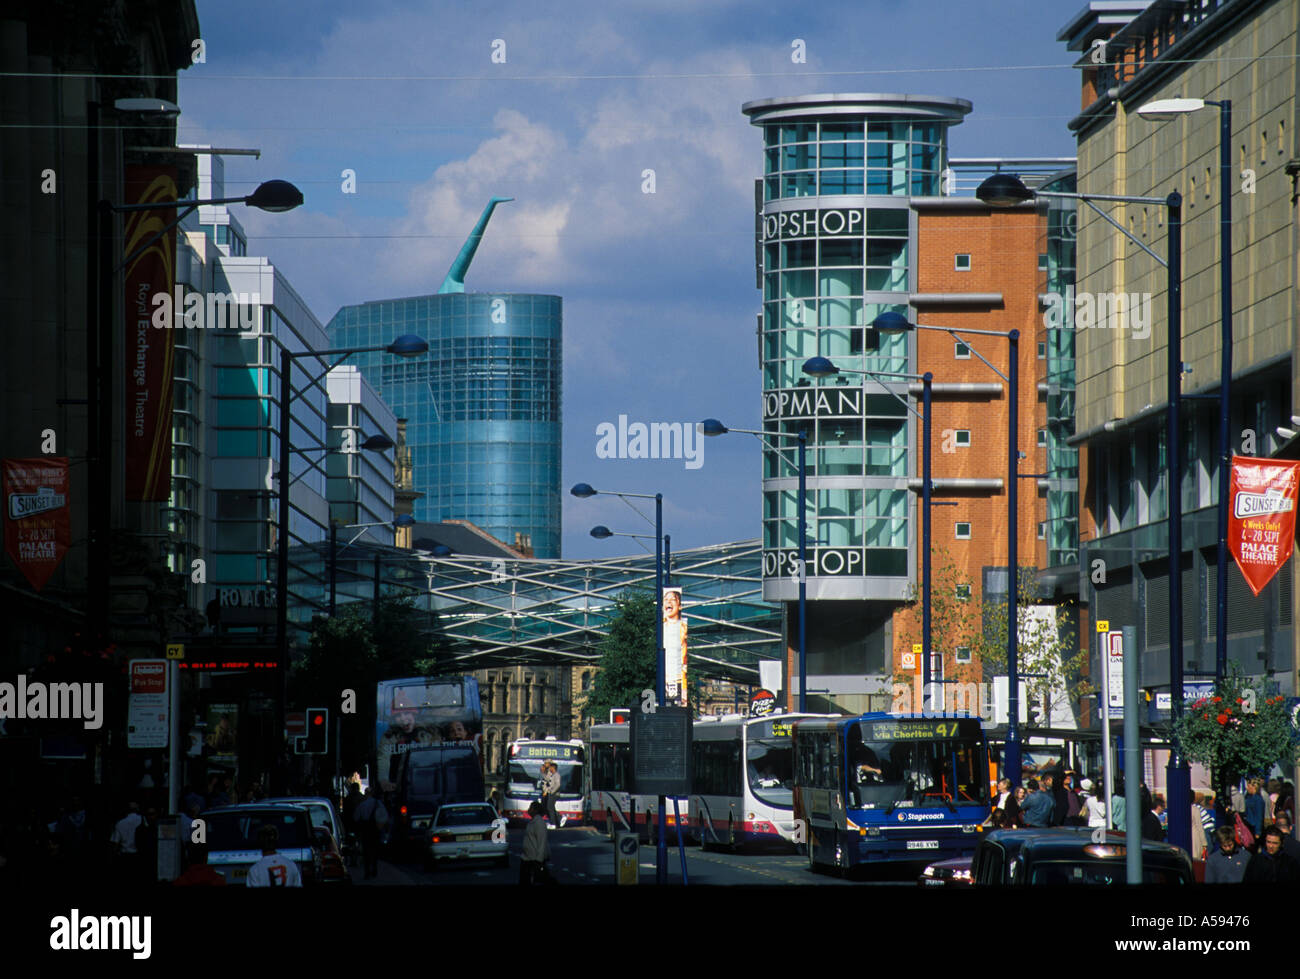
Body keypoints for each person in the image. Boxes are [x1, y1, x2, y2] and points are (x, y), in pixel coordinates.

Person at [378, 693, 436, 793]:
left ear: (414, 715)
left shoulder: (427, 734)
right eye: (398, 715)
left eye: (407, 713)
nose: (403, 718)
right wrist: (384, 780)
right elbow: (383, 758)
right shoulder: (389, 737)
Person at [353, 787, 388, 880]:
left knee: (366, 850)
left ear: (365, 794)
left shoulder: (362, 805)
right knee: (375, 849)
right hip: (375, 829)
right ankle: (374, 868)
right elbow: (384, 816)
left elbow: (356, 817)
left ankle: (367, 871)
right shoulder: (378, 803)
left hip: (365, 830)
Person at [519, 801, 550, 885]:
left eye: (530, 808)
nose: (528, 810)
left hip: (534, 859)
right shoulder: (532, 821)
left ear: (535, 810)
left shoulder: (539, 823)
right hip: (527, 857)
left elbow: (542, 841)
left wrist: (539, 860)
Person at [541, 760, 562, 828]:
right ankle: (556, 821)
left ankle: (554, 823)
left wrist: (551, 791)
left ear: (553, 768)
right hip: (550, 793)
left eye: (551, 768)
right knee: (550, 808)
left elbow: (558, 785)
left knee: (550, 807)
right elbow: (547, 781)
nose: (550, 769)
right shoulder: (552, 775)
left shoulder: (556, 775)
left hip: (554, 794)